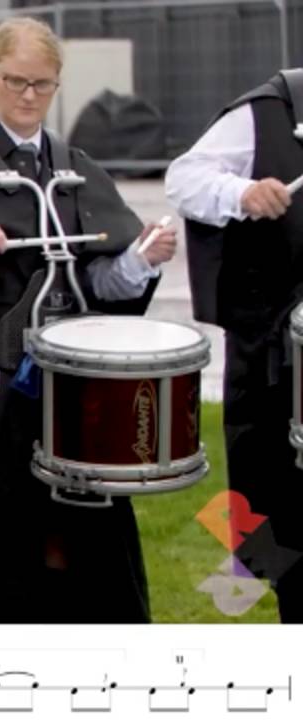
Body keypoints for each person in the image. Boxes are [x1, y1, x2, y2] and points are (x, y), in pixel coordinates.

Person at [0, 17, 177, 623]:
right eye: (16, 80)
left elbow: (98, 284)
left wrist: (137, 259)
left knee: (89, 543)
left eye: (42, 85)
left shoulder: (75, 168)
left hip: (69, 396)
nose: (28, 96)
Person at [166, 69, 303, 623]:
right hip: (271, 353)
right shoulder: (269, 109)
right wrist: (242, 191)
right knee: (269, 507)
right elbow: (184, 178)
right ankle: (267, 591)